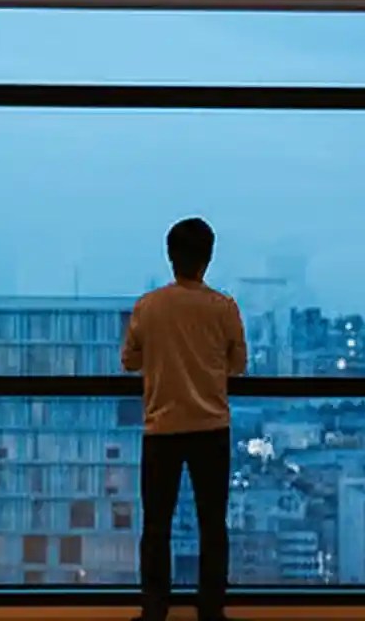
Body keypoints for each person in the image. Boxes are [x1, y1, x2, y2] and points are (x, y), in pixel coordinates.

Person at [121, 217, 247, 621]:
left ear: (170, 256)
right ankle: (210, 608)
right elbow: (238, 366)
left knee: (156, 525)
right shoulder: (223, 307)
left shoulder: (148, 306)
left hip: (162, 428)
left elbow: (130, 361)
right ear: (207, 258)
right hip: (211, 427)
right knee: (213, 525)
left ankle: (154, 607)